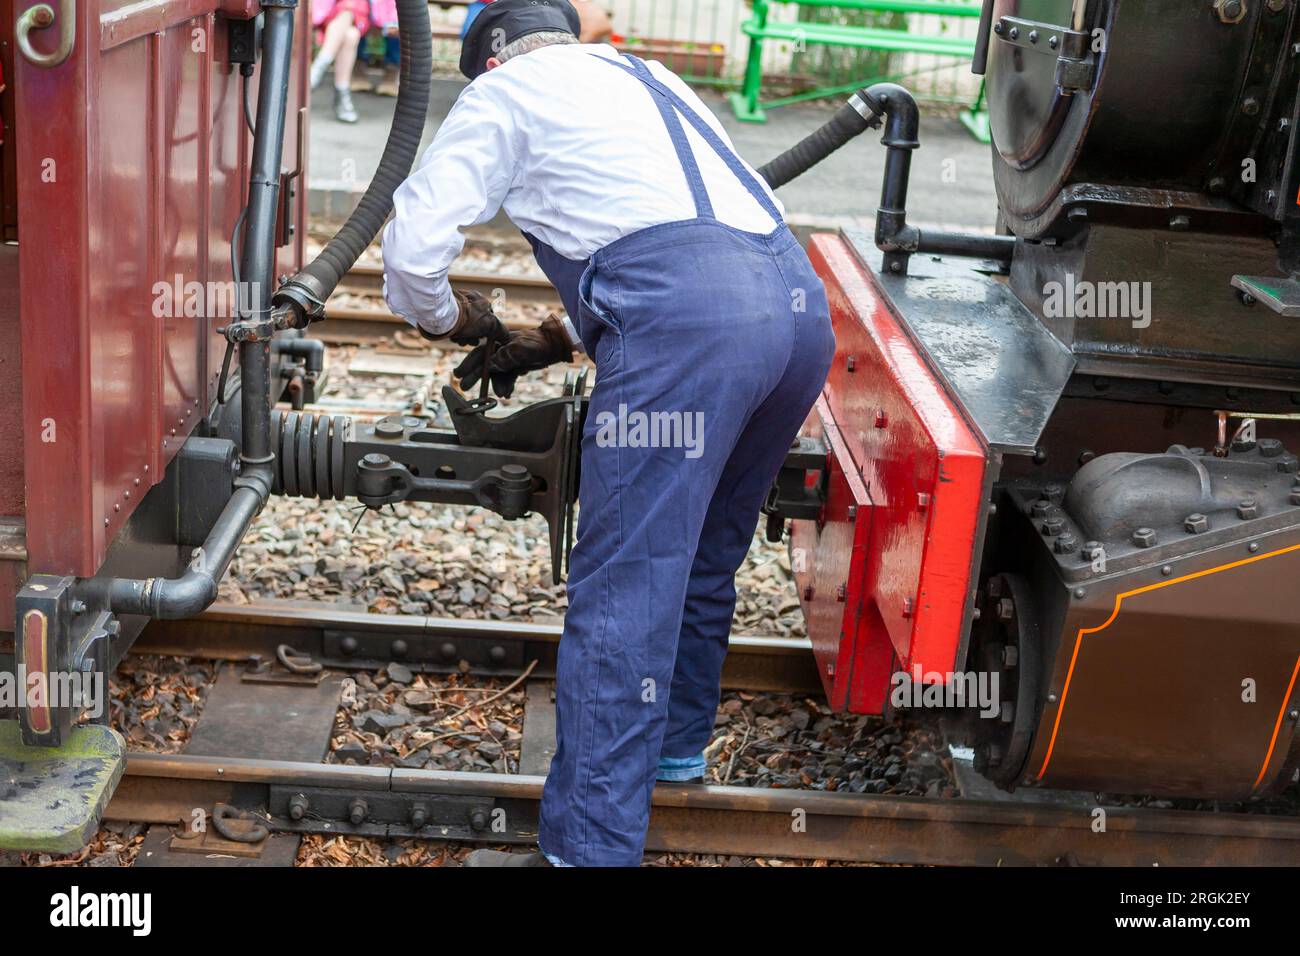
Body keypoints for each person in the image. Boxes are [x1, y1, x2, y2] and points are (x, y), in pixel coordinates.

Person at [381, 0, 834, 867]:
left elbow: (410, 257)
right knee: (702, 553)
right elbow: (682, 237)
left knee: (627, 586)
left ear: (489, 55)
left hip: (691, 333)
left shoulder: (502, 95)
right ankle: (673, 750)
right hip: (796, 314)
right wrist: (552, 340)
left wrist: (450, 320)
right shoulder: (646, 75)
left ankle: (587, 851)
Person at [310, 0, 398, 122]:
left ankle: (319, 66)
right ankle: (341, 95)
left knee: (351, 9)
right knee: (351, 35)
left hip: (363, 12)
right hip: (330, 10)